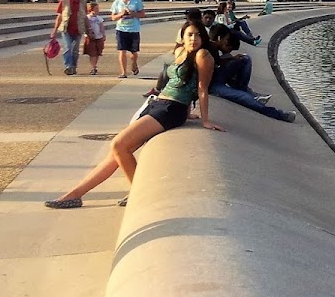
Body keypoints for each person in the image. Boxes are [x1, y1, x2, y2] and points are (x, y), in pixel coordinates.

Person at [44, 19, 225, 209]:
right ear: (183, 36)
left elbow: (201, 88)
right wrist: (188, 113)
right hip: (158, 104)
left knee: (118, 144)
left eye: (198, 35)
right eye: (190, 34)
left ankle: (139, 193)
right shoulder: (180, 51)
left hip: (171, 109)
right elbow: (179, 82)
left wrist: (205, 120)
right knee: (116, 153)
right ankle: (75, 195)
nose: (194, 39)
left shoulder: (203, 56)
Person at [207, 24, 295, 122]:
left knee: (245, 59)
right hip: (212, 85)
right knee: (244, 97)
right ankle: (279, 114)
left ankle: (243, 89)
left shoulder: (213, 47)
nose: (227, 42)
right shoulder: (208, 49)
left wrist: (232, 58)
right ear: (219, 38)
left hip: (215, 77)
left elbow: (217, 61)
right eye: (226, 39)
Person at [111, 0, 146, 79]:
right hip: (121, 29)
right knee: (122, 51)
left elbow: (143, 14)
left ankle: (134, 63)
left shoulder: (136, 1)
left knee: (134, 52)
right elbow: (113, 17)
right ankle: (124, 72)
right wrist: (121, 14)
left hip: (134, 29)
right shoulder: (117, 3)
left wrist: (133, 13)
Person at [50, 0, 87, 75]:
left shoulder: (83, 2)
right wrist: (54, 30)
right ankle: (68, 66)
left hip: (78, 29)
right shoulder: (64, 1)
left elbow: (85, 17)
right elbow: (59, 16)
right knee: (67, 48)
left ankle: (74, 66)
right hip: (66, 29)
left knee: (75, 50)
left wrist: (88, 29)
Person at [83, 2, 107, 75]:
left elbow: (102, 27)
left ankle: (95, 65)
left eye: (98, 9)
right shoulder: (87, 18)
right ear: (91, 9)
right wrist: (87, 33)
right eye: (96, 8)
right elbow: (84, 26)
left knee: (97, 53)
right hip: (90, 38)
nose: (97, 10)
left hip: (98, 37)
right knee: (92, 53)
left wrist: (103, 35)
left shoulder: (99, 18)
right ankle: (93, 67)